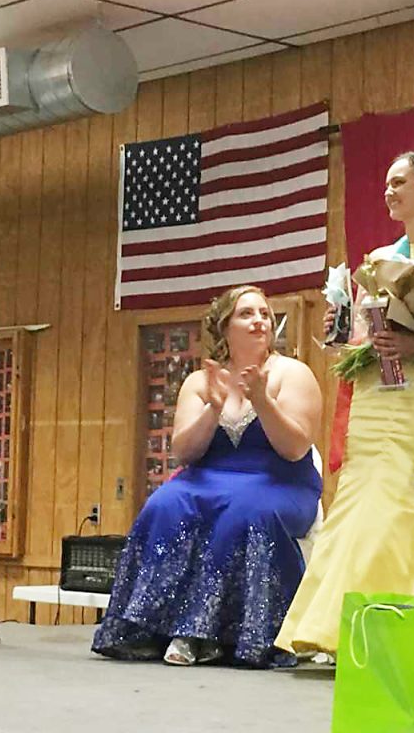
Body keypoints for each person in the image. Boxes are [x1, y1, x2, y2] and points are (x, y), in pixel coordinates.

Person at [275, 151, 414, 656]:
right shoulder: (376, 259)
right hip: (373, 394)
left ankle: (407, 621)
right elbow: (363, 333)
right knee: (359, 499)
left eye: (399, 182)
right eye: (386, 184)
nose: (389, 192)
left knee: (406, 495)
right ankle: (332, 629)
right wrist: (343, 335)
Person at [92, 285, 322, 667]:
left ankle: (222, 633)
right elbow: (184, 452)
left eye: (264, 313)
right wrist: (212, 410)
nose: (259, 321)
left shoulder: (292, 374)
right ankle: (151, 627)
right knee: (163, 505)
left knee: (245, 511)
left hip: (278, 481)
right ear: (224, 327)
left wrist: (263, 402)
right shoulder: (200, 382)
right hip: (208, 477)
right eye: (246, 314)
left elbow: (296, 448)